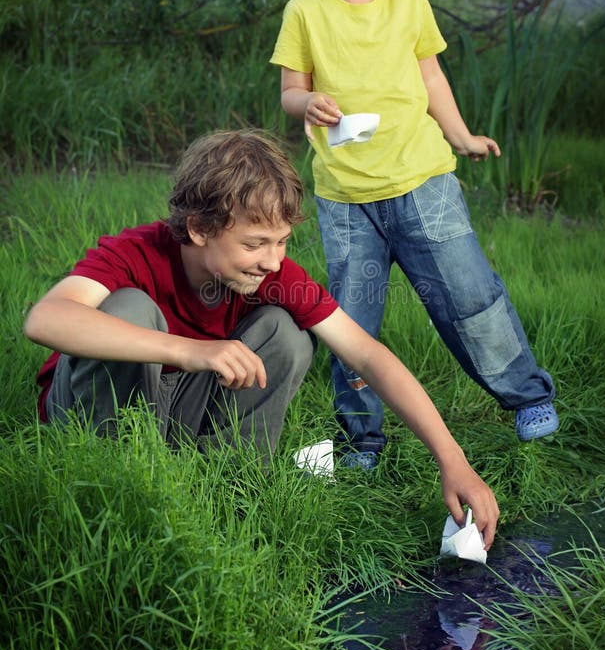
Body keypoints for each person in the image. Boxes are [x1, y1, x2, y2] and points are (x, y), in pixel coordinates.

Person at [24, 130, 499, 547]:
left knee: (287, 334)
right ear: (199, 229)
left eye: (283, 241)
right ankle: (116, 486)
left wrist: (452, 459)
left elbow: (368, 356)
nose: (272, 261)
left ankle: (230, 489)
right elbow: (45, 319)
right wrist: (189, 351)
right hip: (94, 425)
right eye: (254, 244)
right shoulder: (137, 252)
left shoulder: (272, 275)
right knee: (129, 308)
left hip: (174, 416)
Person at [270, 0, 559, 471]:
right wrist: (308, 102)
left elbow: (432, 78)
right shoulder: (305, 12)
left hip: (424, 182)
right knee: (351, 322)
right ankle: (361, 441)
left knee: (471, 297)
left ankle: (527, 396)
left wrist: (461, 135)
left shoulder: (409, 4)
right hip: (346, 197)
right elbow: (290, 92)